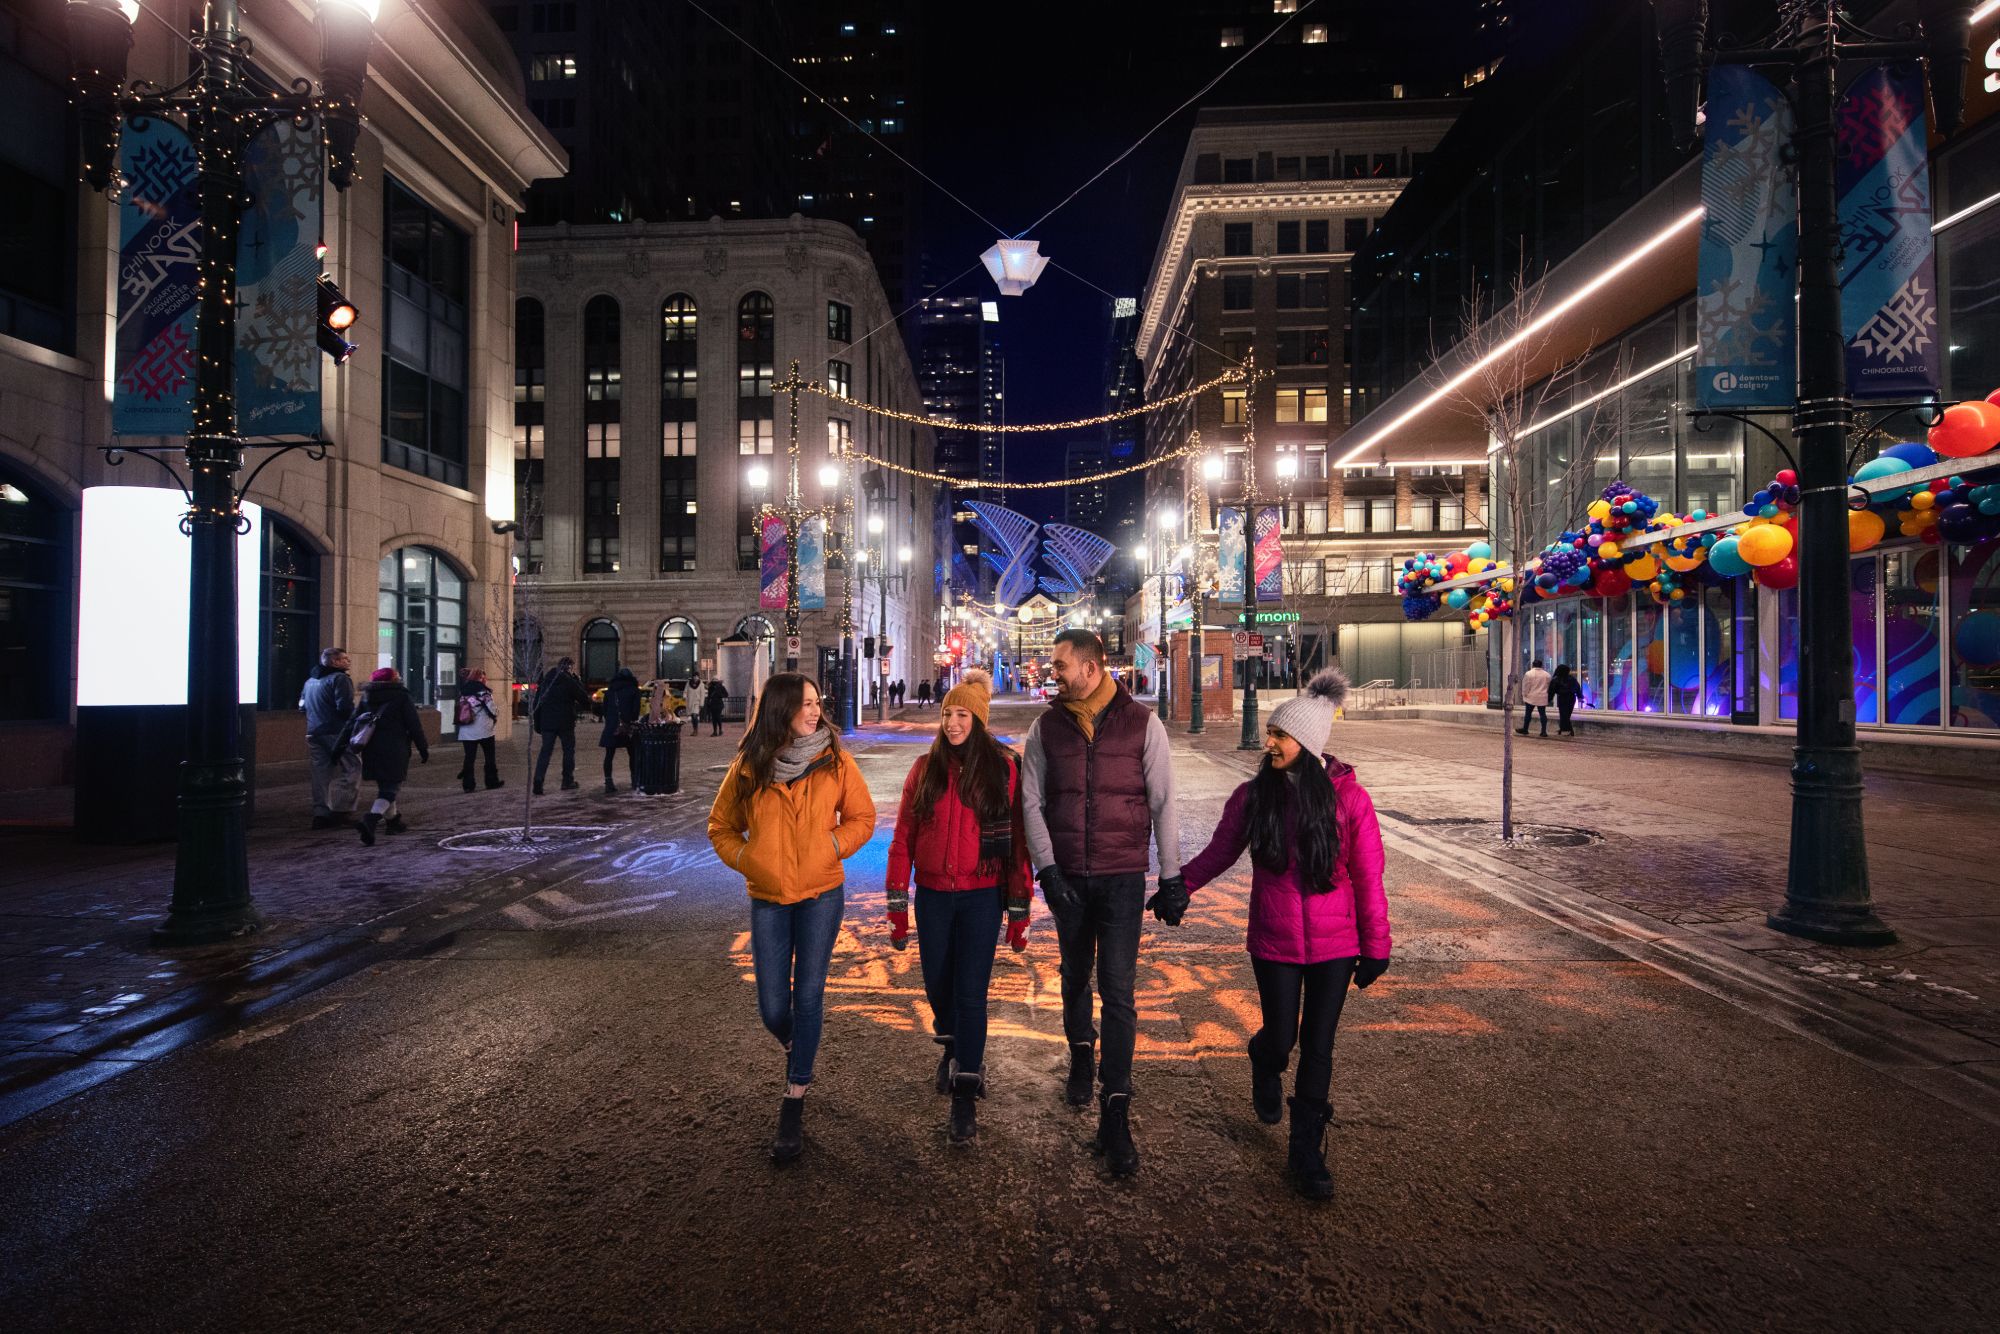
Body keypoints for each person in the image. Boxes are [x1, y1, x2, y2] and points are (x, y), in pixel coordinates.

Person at [1175, 669, 1391, 1200]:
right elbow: (1220, 851)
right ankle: (1263, 1060)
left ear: (1310, 745)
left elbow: (1368, 875)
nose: (1269, 743)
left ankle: (1306, 1151)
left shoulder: (1350, 801)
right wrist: (1178, 888)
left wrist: (1377, 945)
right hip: (1274, 938)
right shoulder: (1254, 797)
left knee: (1319, 1046)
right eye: (1270, 732)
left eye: (1280, 735)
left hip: (1336, 944)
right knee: (1281, 1036)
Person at [1021, 627, 1181, 1178]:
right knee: (1073, 976)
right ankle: (1080, 1057)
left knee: (1118, 990)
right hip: (1068, 876)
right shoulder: (1046, 727)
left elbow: (1163, 802)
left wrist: (1172, 874)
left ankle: (1116, 1113)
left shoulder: (1143, 724)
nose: (1053, 673)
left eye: (1060, 665)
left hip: (1120, 878)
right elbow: (1031, 802)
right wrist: (1046, 868)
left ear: (1091, 667)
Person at [707, 673, 877, 1164]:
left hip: (822, 894)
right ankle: (797, 1049)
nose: (814, 711)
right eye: (805, 703)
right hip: (768, 897)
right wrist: (749, 858)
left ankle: (795, 1095)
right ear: (780, 709)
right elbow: (720, 826)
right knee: (772, 1006)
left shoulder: (835, 761)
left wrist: (831, 846)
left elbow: (862, 819)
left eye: (816, 702)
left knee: (808, 995)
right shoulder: (749, 766)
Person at [883, 668, 1031, 1146]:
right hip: (931, 896)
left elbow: (1017, 844)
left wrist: (1019, 908)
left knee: (970, 993)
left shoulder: (1003, 770)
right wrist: (896, 903)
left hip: (980, 895)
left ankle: (966, 1092)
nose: (952, 723)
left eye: (961, 714)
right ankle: (953, 1046)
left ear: (979, 719)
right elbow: (902, 836)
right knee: (937, 987)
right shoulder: (924, 769)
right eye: (948, 714)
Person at [346, 667, 428, 846]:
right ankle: (371, 819)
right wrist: (423, 747)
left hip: (372, 748)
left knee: (386, 785)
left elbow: (352, 722)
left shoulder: (367, 696)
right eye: (397, 675)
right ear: (393, 680)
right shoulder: (401, 696)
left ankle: (393, 822)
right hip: (394, 748)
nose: (400, 677)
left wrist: (339, 747)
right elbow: (414, 725)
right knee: (390, 787)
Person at [302, 647, 360, 829]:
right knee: (352, 767)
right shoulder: (340, 679)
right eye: (344, 659)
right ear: (334, 662)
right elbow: (344, 707)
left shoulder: (310, 681)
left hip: (314, 731)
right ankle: (342, 810)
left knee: (320, 773)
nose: (348, 661)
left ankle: (321, 813)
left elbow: (302, 706)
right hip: (336, 731)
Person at [532, 656, 589, 794]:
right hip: (565, 723)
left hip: (547, 723)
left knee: (545, 752)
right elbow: (583, 698)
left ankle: (538, 781)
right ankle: (567, 781)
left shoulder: (546, 681)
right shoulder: (569, 681)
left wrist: (538, 724)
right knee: (568, 751)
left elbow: (536, 704)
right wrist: (577, 681)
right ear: (569, 668)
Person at [455, 668, 504, 792]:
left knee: (469, 757)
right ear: (480, 678)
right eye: (483, 677)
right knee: (489, 757)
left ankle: (468, 784)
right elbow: (492, 709)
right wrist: (497, 713)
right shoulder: (484, 692)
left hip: (466, 730)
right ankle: (491, 781)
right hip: (484, 730)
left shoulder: (463, 692)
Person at [599, 666, 641, 793]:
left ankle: (608, 782)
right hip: (627, 727)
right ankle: (634, 780)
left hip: (612, 726)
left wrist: (611, 721)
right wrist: (629, 720)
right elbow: (635, 712)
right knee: (632, 754)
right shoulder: (634, 690)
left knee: (609, 755)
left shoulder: (610, 691)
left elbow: (605, 710)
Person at [1519, 658, 1552, 738]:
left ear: (1532, 665)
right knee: (1543, 714)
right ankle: (1543, 731)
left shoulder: (1528, 674)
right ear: (1541, 665)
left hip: (1531, 697)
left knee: (1528, 714)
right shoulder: (1547, 675)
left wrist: (1524, 694)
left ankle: (1525, 729)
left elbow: (1526, 686)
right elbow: (1549, 686)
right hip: (1542, 697)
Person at [1551, 663, 1582, 736]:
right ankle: (1564, 729)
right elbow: (1577, 687)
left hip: (1562, 698)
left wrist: (1549, 698)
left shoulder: (1556, 679)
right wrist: (1579, 696)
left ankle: (1568, 730)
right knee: (1566, 714)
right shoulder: (1571, 678)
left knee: (1564, 714)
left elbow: (1552, 689)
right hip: (1571, 698)